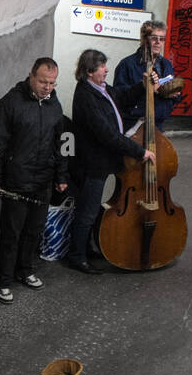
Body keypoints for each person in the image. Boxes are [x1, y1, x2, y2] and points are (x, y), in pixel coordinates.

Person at [0, 58, 68, 303]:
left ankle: (25, 271)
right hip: (16, 181)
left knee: (34, 230)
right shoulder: (9, 104)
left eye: (52, 83)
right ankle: (4, 281)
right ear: (30, 75)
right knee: (11, 232)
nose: (47, 87)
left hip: (43, 180)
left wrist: (62, 175)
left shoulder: (54, 104)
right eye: (42, 81)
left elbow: (63, 141)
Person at [66, 48, 155, 274]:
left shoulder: (101, 89)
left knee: (93, 207)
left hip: (103, 161)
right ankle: (77, 256)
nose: (107, 70)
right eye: (102, 66)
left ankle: (87, 247)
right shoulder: (86, 96)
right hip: (93, 164)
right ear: (89, 71)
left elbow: (122, 100)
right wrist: (139, 152)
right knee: (87, 212)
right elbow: (107, 134)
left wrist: (142, 86)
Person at [114, 20, 182, 131]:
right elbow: (120, 98)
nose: (158, 42)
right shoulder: (127, 64)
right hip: (133, 125)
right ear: (145, 39)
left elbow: (174, 98)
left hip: (157, 125)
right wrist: (144, 87)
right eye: (154, 38)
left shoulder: (166, 64)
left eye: (162, 39)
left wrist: (172, 93)